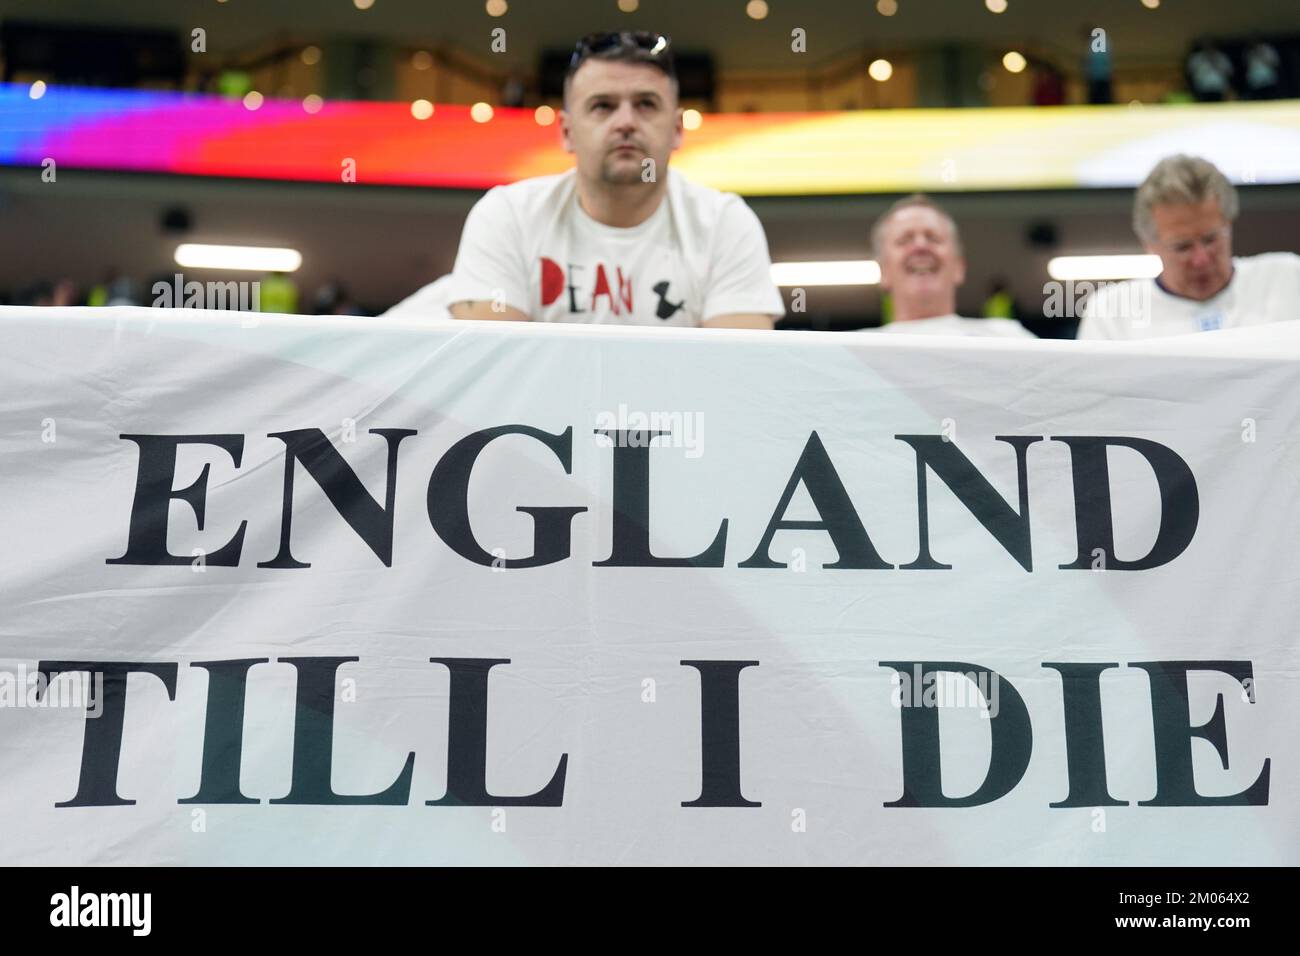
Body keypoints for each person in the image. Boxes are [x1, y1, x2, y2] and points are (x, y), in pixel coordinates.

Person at [419, 31, 782, 329]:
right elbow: (495, 378)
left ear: (676, 129)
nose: (625, 122)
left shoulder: (726, 225)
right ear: (566, 132)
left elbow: (734, 385)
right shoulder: (507, 217)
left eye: (646, 104)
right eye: (603, 106)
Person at [1078, 154, 1300, 339]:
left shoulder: (1286, 280)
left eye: (1211, 239)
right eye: (1182, 247)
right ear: (1149, 244)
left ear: (1229, 223)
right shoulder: (1113, 312)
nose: (1201, 259)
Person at [867, 195, 1034, 338]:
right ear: (884, 271)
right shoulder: (854, 350)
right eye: (905, 240)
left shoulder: (1009, 337)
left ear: (958, 267)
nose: (920, 246)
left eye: (933, 238)